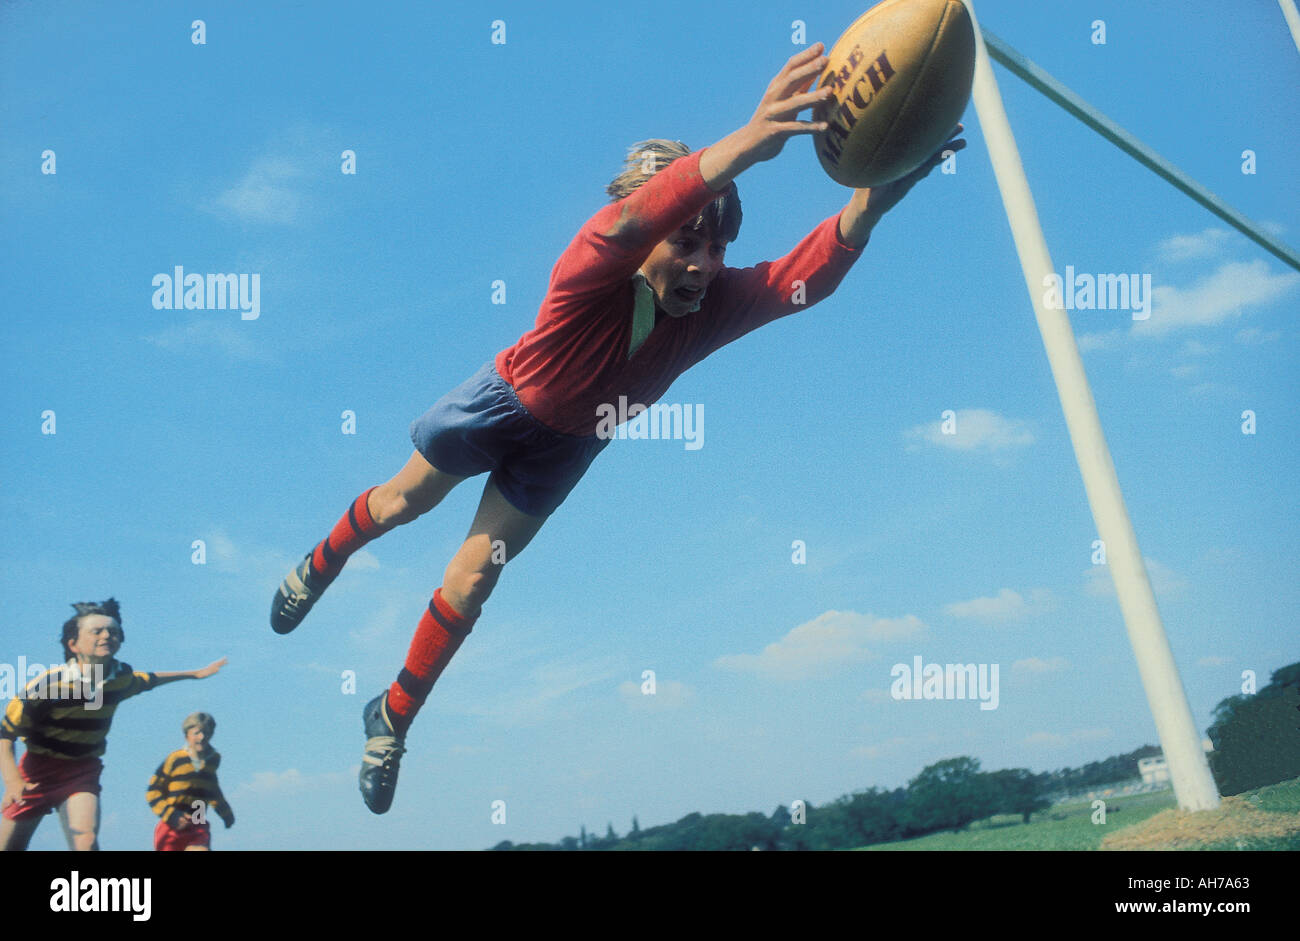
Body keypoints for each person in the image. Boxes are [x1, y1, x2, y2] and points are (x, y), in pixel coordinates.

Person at [269, 43, 964, 814]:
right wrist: (746, 143)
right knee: (403, 503)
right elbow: (629, 222)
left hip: (568, 445)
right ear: (648, 245)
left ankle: (391, 715)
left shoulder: (710, 309)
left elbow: (801, 278)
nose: (705, 263)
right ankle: (319, 561)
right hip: (502, 401)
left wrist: (873, 201)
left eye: (717, 246)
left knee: (475, 575)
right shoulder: (595, 271)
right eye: (687, 242)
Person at [0, 599, 226, 850]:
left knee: (85, 838)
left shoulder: (120, 679)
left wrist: (194, 673)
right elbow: (5, 735)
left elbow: (150, 680)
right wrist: (12, 782)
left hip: (81, 769)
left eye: (113, 631)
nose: (107, 635)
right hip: (35, 771)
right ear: (73, 644)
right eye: (96, 631)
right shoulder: (47, 686)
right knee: (11, 844)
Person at [146, 711, 235, 851]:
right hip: (172, 824)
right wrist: (172, 815)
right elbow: (153, 791)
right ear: (187, 735)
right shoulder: (175, 759)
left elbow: (213, 790)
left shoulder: (213, 760)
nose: (202, 737)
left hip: (197, 821)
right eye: (197, 733)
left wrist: (226, 814)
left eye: (206, 733)